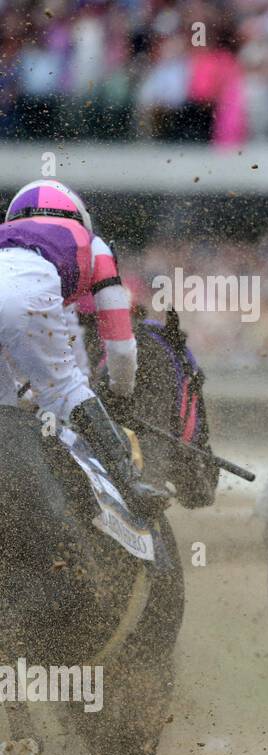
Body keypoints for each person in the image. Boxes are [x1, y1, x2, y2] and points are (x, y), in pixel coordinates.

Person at [0, 179, 168, 516]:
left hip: (20, 303)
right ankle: (130, 486)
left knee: (6, 407)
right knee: (65, 391)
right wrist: (120, 393)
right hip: (25, 302)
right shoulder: (94, 246)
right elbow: (119, 347)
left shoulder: (8, 237)